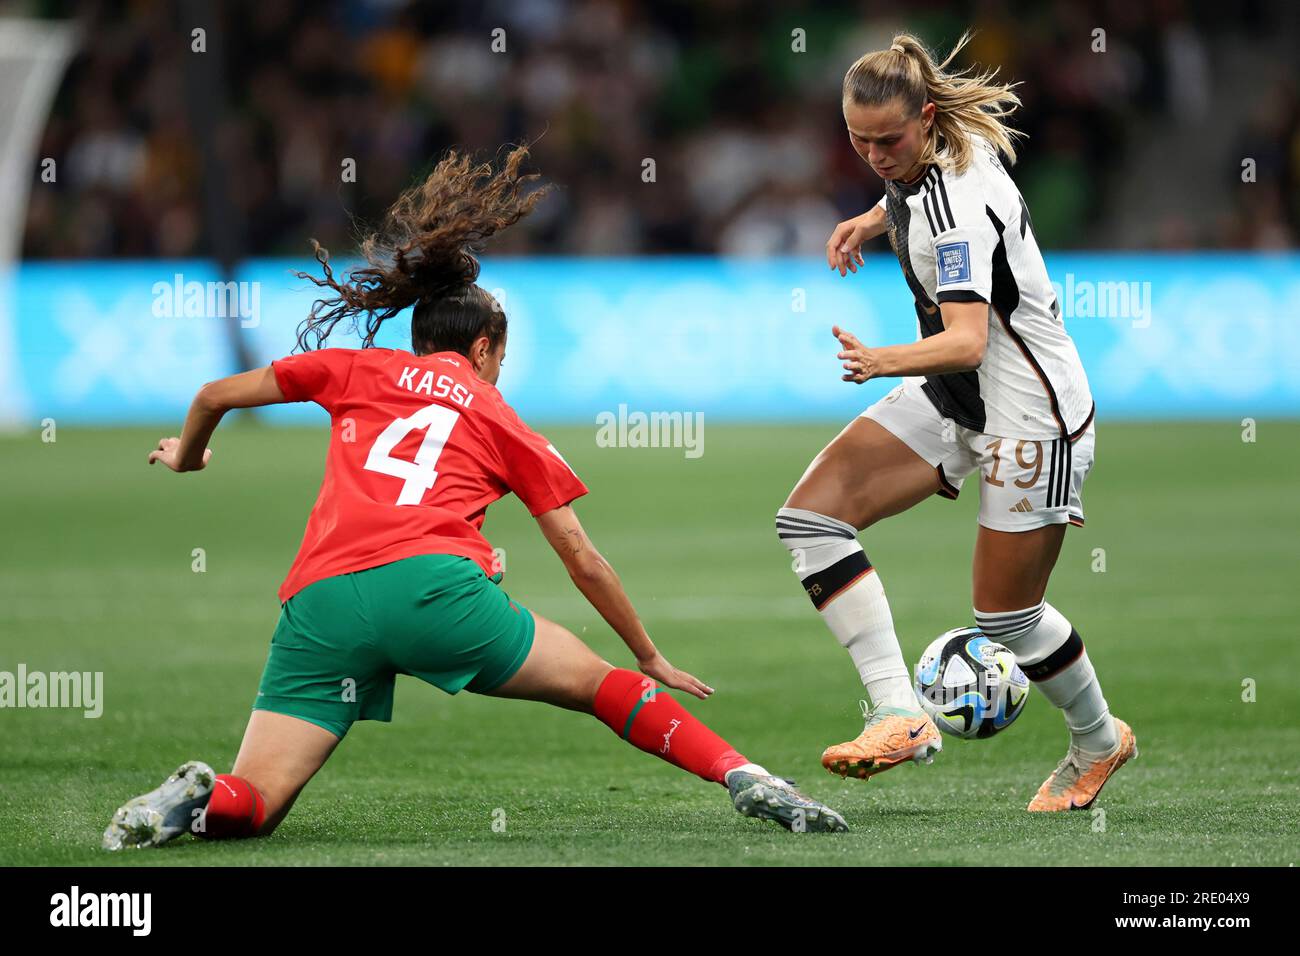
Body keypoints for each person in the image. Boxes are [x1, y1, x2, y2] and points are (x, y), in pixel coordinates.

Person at [103, 147, 847, 849]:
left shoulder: (355, 369)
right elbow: (583, 560)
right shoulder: (498, 415)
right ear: (486, 347)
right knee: (602, 685)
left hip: (321, 603)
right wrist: (649, 654)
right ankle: (744, 775)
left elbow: (213, 392)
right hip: (434, 592)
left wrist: (190, 456)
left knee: (255, 804)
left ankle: (199, 798)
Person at [776, 33, 1136, 811]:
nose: (872, 153)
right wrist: (874, 220)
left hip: (1030, 416)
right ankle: (900, 714)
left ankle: (1100, 741)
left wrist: (880, 361)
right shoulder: (941, 153)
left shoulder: (955, 208)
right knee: (811, 519)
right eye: (857, 138)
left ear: (926, 118)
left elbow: (968, 337)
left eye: (887, 140)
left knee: (1007, 616)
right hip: (959, 395)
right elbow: (917, 195)